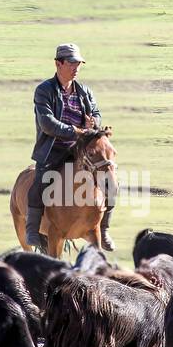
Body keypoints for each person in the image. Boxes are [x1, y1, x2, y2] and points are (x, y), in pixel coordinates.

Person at [26, 43, 115, 251]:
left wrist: (93, 122)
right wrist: (76, 131)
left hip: (82, 149)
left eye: (79, 64)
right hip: (53, 149)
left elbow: (97, 112)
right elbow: (47, 123)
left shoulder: (84, 91)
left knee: (110, 180)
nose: (76, 68)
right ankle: (32, 229)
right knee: (40, 182)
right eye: (72, 63)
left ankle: (103, 228)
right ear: (58, 63)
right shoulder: (44, 91)